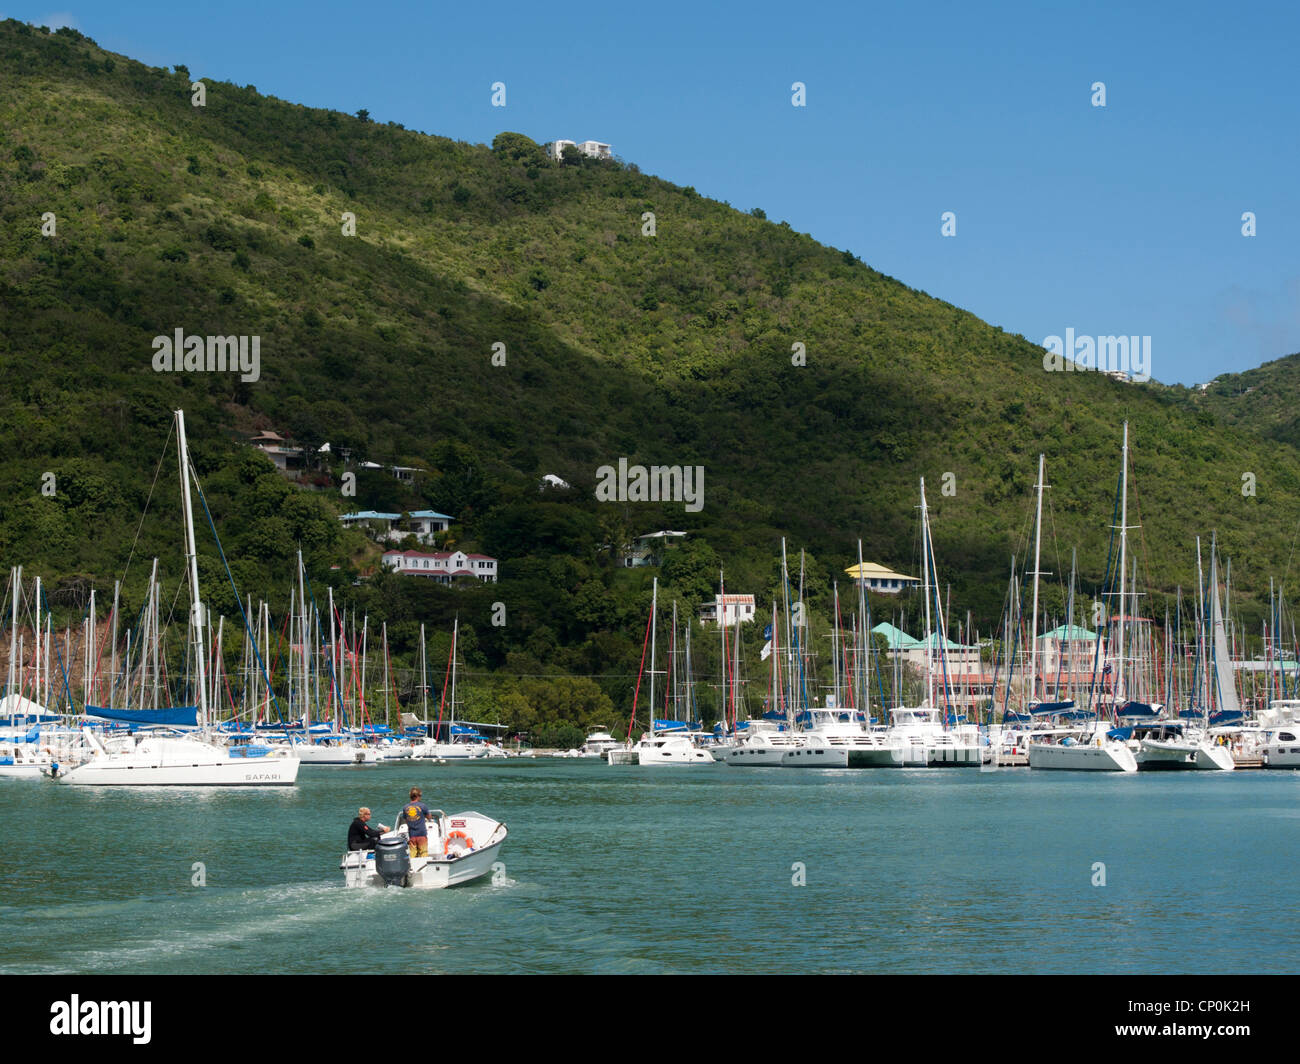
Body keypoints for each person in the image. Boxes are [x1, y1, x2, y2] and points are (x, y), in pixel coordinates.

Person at [397, 787, 432, 858]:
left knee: (412, 855)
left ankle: (412, 868)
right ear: (418, 796)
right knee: (423, 853)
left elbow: (406, 820)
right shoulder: (422, 806)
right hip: (421, 834)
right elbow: (429, 817)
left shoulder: (405, 807)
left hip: (412, 835)